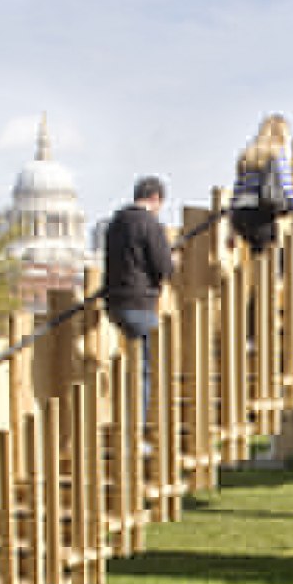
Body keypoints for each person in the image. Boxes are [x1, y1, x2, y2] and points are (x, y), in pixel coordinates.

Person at [103, 176, 176, 416]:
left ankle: (127, 421)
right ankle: (136, 428)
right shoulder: (149, 223)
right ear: (155, 199)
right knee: (150, 366)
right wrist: (173, 263)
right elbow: (163, 266)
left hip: (115, 302)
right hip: (139, 302)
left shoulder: (116, 221)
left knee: (135, 365)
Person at [229, 114, 293, 254]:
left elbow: (236, 193)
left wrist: (231, 231)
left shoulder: (247, 156)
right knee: (277, 259)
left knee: (261, 256)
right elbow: (286, 185)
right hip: (260, 215)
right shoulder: (277, 154)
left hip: (240, 217)